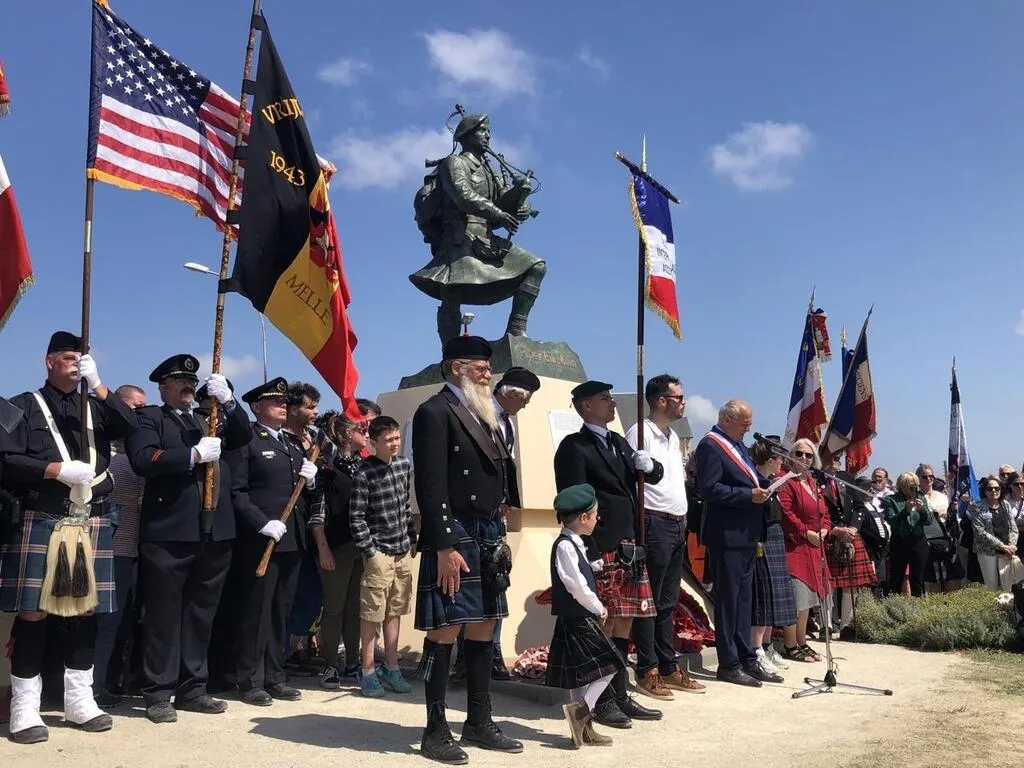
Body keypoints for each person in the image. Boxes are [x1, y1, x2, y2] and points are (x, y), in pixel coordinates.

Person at [0, 331, 138, 743]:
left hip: (91, 518)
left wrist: (98, 385)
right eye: (67, 358)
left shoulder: (95, 406)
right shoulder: (21, 404)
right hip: (43, 514)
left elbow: (132, 425)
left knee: (84, 612)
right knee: (34, 614)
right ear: (48, 362)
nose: (74, 364)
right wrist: (54, 471)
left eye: (81, 359)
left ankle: (79, 702)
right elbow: (4, 457)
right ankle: (25, 707)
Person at [126, 355, 252, 724]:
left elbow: (242, 435)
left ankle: (193, 687)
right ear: (163, 386)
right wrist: (191, 454)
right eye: (179, 380)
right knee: (163, 616)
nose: (187, 386)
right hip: (170, 531)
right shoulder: (150, 417)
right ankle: (158, 692)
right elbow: (144, 459)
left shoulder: (207, 417)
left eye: (191, 381)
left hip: (214, 531)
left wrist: (229, 401)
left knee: (201, 614)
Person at [412, 335, 521, 763]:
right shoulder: (434, 411)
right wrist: (443, 544)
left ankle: (478, 721)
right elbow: (431, 481)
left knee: (484, 624)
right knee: (445, 630)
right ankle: (435, 730)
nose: (488, 373)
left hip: (488, 531)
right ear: (457, 368)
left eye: (487, 368)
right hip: (455, 531)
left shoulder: (486, 411)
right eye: (480, 368)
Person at [554, 380, 663, 727]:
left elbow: (651, 478)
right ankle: (600, 701)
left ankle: (619, 694)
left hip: (630, 544)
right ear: (586, 406)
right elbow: (574, 503)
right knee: (606, 621)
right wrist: (589, 550)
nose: (612, 403)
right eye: (605, 398)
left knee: (625, 622)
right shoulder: (574, 447)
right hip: (602, 544)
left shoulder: (617, 441)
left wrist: (651, 466)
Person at [410, 111, 547, 344]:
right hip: (459, 237)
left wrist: (519, 196)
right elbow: (463, 196)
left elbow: (502, 202)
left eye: (488, 132)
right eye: (482, 132)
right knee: (452, 290)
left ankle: (516, 329)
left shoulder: (490, 170)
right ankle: (450, 352)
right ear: (466, 135)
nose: (487, 137)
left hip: (486, 237)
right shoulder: (454, 163)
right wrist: (500, 214)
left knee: (536, 267)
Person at [225, 378, 317, 706]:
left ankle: (275, 675)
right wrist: (261, 523)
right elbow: (236, 492)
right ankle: (250, 679)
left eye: (284, 401)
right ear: (257, 407)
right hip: (260, 539)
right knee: (256, 611)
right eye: (275, 401)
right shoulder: (247, 440)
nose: (283, 405)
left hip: (291, 538)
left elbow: (298, 493)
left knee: (281, 611)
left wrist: (311, 481)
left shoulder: (292, 445)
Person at [451, 366, 540, 685]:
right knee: (468, 589)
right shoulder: (479, 415)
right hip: (472, 517)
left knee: (496, 582)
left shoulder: (509, 424)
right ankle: (465, 656)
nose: (525, 407)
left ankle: (493, 654)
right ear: (513, 394)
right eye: (525, 401)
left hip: (496, 517)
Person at [625, 374, 704, 697]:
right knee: (649, 601)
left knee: (668, 602)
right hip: (653, 523)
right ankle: (648, 669)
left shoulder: (672, 437)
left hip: (676, 523)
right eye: (678, 398)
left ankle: (668, 665)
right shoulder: (640, 434)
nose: (683, 403)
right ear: (660, 401)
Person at [694, 399, 778, 687]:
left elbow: (747, 479)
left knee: (744, 601)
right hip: (726, 535)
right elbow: (710, 488)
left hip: (747, 534)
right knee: (729, 602)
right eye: (745, 422)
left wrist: (765, 487)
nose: (749, 427)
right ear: (727, 419)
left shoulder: (739, 445)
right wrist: (747, 497)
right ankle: (728, 663)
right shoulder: (711, 445)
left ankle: (747, 658)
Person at [545, 483, 621, 749]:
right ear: (583, 518)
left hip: (577, 618)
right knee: (611, 665)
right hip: (579, 618)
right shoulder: (565, 546)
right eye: (595, 514)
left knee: (583, 675)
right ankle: (581, 713)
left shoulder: (576, 544)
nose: (598, 518)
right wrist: (598, 607)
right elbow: (576, 585)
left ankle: (585, 729)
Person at [350, 415, 416, 698]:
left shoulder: (403, 466)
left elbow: (405, 506)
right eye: (388, 440)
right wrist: (370, 552)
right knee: (371, 612)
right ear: (373, 442)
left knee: (395, 610)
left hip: (402, 551)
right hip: (378, 553)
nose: (394, 444)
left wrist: (412, 538)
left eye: (397, 438)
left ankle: (391, 666)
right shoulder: (364, 472)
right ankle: (367, 670)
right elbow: (356, 517)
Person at [310, 413, 368, 688]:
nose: (367, 434)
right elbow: (317, 515)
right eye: (362, 429)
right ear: (346, 435)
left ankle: (353, 663)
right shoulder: (328, 470)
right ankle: (330, 664)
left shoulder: (367, 467)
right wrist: (323, 549)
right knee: (333, 608)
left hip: (363, 548)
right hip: (336, 547)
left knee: (356, 609)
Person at [777, 439, 832, 662]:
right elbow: (786, 513)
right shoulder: (786, 482)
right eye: (799, 453)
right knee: (797, 598)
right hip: (796, 546)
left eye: (809, 456)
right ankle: (790, 644)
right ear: (791, 455)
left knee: (808, 599)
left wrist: (826, 530)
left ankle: (801, 641)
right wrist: (804, 532)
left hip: (815, 547)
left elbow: (825, 514)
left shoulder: (813, 482)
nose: (803, 459)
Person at [748, 438, 797, 674]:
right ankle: (755, 648)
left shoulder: (772, 482)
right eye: (779, 459)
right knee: (763, 595)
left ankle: (766, 645)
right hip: (762, 539)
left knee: (774, 598)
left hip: (775, 536)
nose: (782, 463)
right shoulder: (756, 481)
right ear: (770, 460)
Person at [969, 475, 1022, 591]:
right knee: (992, 586)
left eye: (996, 488)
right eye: (989, 488)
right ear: (984, 491)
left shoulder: (1005, 504)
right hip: (987, 551)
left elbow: (1013, 527)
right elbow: (979, 532)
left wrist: (1011, 546)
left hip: (1007, 551)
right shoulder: (977, 507)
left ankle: (1008, 608)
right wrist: (1002, 546)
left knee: (1008, 585)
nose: (993, 491)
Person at [882, 473, 931, 597]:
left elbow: (929, 520)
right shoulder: (891, 499)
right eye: (909, 486)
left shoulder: (922, 498)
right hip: (900, 542)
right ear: (902, 486)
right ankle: (895, 610)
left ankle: (917, 610)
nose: (912, 489)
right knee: (896, 579)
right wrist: (906, 511)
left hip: (918, 541)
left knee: (918, 580)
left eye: (914, 486)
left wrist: (922, 510)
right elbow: (891, 520)